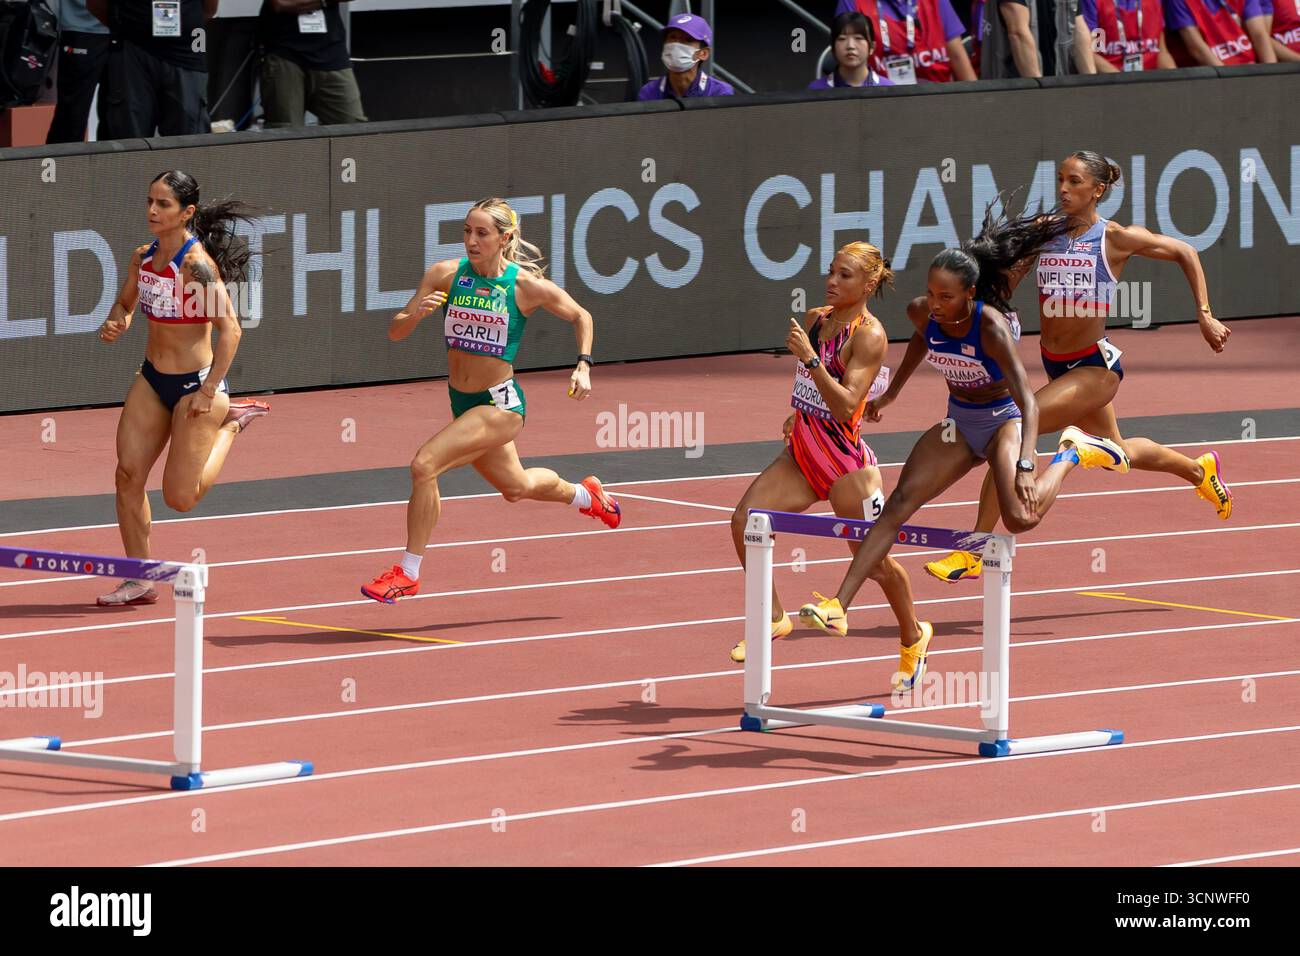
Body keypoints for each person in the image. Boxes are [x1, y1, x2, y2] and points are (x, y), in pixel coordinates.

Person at [798, 212, 1131, 690]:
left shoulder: (990, 326)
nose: (935, 304)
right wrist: (892, 395)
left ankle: (1073, 453)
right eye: (931, 293)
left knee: (1019, 520)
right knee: (897, 506)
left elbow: (1028, 404)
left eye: (945, 297)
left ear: (969, 295)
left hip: (1003, 422)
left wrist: (1025, 461)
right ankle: (838, 605)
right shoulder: (922, 312)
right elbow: (919, 340)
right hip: (959, 424)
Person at [925, 151, 1233, 584]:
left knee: (1007, 433)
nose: (1064, 190)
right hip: (1055, 363)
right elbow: (1011, 277)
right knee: (1117, 449)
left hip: (1094, 368)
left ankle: (975, 548)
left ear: (1098, 190)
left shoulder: (1115, 238)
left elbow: (1185, 250)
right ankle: (1200, 470)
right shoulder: (1045, 233)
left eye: (1073, 182)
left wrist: (1204, 313)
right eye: (1060, 181)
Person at [359, 199, 621, 604]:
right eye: (466, 231)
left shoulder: (524, 287)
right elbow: (395, 331)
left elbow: (581, 316)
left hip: (501, 406)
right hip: (462, 402)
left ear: (505, 238)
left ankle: (407, 573)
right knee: (516, 487)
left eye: (482, 233)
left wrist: (583, 365)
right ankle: (588, 496)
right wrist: (415, 317)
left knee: (424, 465)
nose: (471, 241)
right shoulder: (445, 275)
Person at [729, 242, 920, 664]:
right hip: (801, 457)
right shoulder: (818, 318)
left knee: (873, 565)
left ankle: (913, 636)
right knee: (745, 523)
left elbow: (849, 406)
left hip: (845, 467)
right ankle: (774, 617)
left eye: (845, 276)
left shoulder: (870, 336)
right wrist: (796, 414)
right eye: (831, 272)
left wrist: (812, 359)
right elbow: (808, 385)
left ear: (870, 283)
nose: (832, 282)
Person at [96, 170, 269, 606]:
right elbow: (125, 302)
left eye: (164, 204)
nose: (153, 211)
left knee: (180, 498)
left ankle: (231, 425)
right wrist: (120, 320)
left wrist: (210, 390)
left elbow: (230, 331)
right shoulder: (143, 257)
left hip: (196, 385)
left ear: (187, 212)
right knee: (127, 476)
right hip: (153, 380)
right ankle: (140, 577)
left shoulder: (196, 266)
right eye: (150, 201)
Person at [88, 0, 215, 138]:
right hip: (133, 52)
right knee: (129, 140)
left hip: (186, 54)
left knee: (188, 140)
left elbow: (210, 9)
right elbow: (96, 5)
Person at [257, 0, 367, 128]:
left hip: (331, 51)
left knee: (353, 128)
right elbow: (282, 3)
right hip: (286, 53)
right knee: (285, 132)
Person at [837, 0, 978, 82]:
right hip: (880, 104)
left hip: (939, 103)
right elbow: (849, 71)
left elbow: (958, 57)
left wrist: (979, 108)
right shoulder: (852, 3)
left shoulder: (936, 2)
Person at [46, 0, 112, 144]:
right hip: (81, 28)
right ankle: (60, 164)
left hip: (125, 33)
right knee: (72, 112)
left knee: (117, 114)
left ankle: (111, 164)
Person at [636, 13, 734, 100]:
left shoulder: (719, 93)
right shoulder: (648, 93)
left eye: (687, 40)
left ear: (703, 54)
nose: (676, 45)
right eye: (672, 37)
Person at [1163, 0, 1276, 64]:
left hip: (1250, 67)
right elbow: (1197, 49)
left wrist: (1272, 74)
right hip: (1216, 76)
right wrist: (1229, 82)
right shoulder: (1176, 2)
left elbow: (1259, 35)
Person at [1081, 0, 1176, 70]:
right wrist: (1122, 82)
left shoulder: (1154, 2)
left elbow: (1161, 52)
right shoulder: (1093, 2)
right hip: (1110, 81)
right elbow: (1091, 53)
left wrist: (1176, 82)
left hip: (1149, 81)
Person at [809, 11, 896, 88]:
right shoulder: (815, 90)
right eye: (842, 39)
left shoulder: (889, 89)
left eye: (858, 38)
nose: (850, 46)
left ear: (872, 47)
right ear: (833, 47)